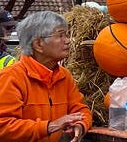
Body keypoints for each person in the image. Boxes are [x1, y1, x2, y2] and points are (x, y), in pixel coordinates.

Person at [0, 11, 91, 142]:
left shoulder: (64, 76)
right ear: (38, 44)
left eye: (67, 35)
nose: (67, 41)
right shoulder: (11, 77)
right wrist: (49, 127)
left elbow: (81, 110)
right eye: (60, 35)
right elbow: (3, 126)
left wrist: (80, 125)